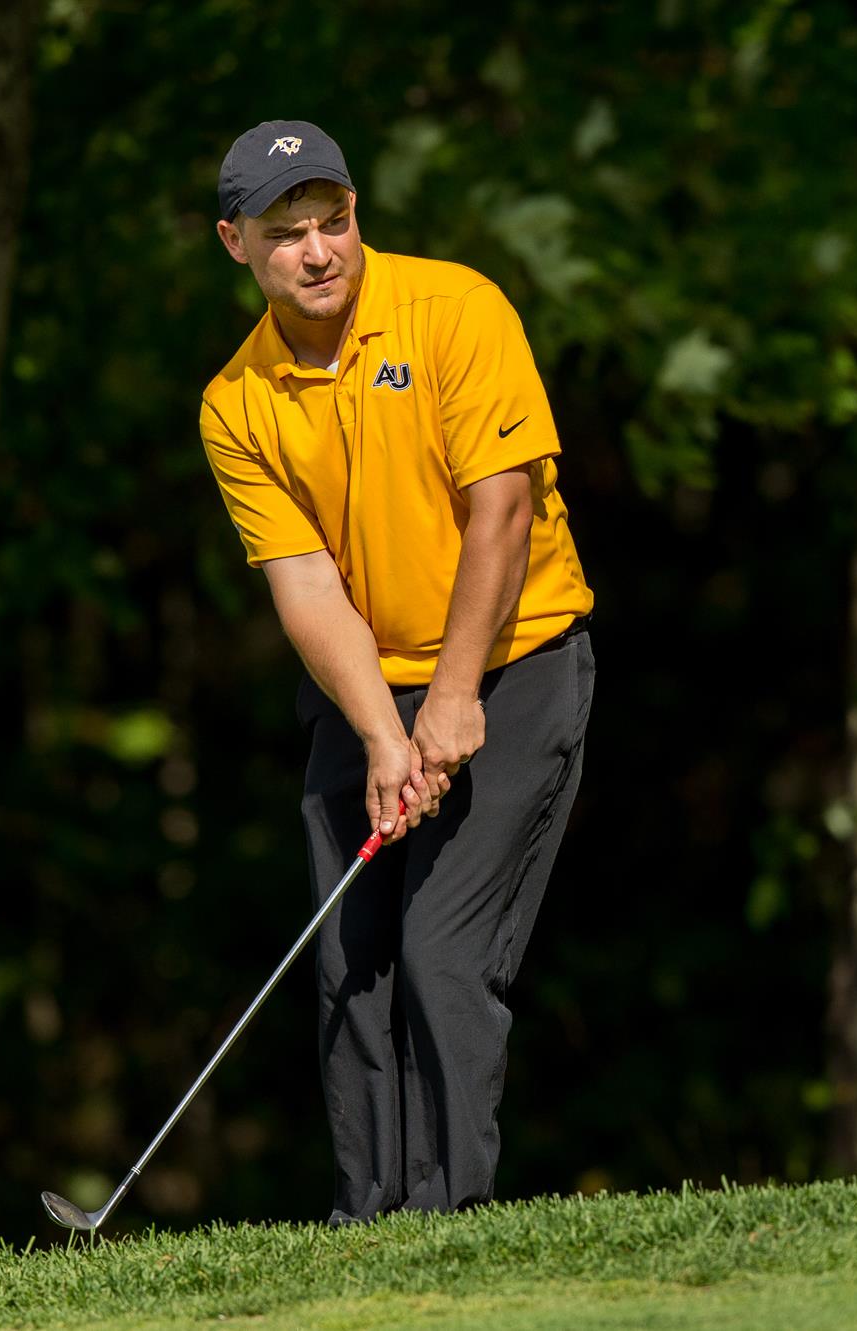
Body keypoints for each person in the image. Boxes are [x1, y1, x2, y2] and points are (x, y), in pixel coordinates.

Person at [197, 119, 595, 1225]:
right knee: (352, 952)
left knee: (439, 948)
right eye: (287, 234)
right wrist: (382, 732)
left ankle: (446, 1213)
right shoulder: (237, 400)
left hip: (513, 662)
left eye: (333, 222)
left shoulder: (455, 308)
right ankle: (364, 1220)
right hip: (367, 683)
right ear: (236, 243)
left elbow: (501, 512)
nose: (318, 251)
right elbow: (306, 585)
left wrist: (454, 699)